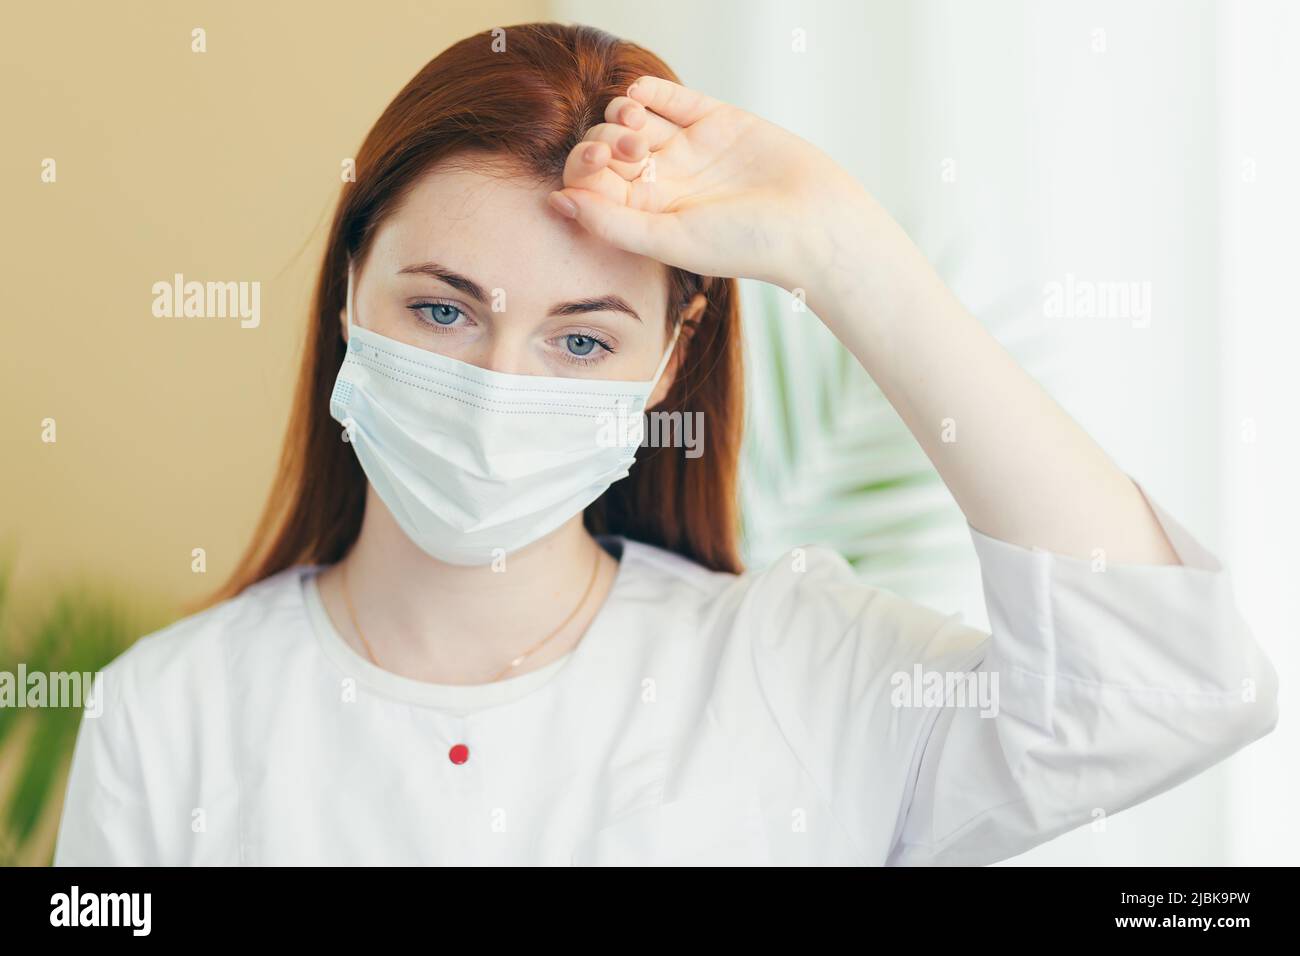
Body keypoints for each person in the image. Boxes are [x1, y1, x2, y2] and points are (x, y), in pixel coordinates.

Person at [54, 22, 1277, 866]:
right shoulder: (168, 714)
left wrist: (845, 249)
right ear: (347, 294)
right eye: (441, 309)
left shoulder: (805, 676)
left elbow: (1160, 690)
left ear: (669, 363)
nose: (494, 386)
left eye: (580, 342)